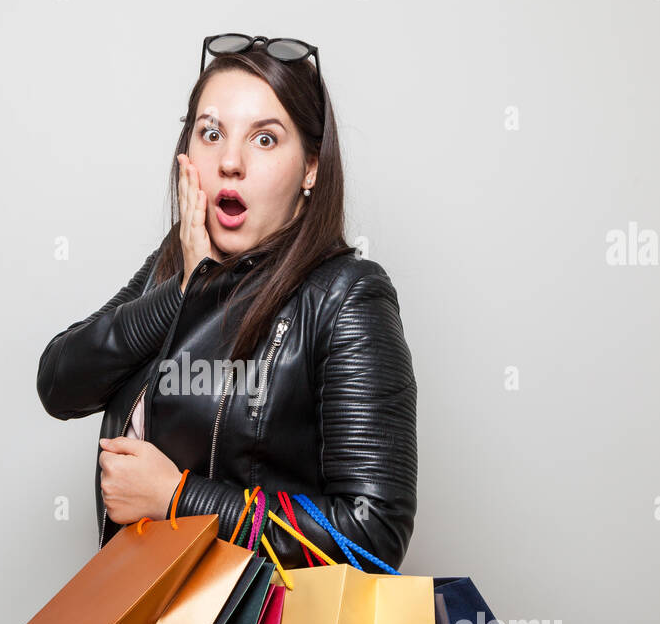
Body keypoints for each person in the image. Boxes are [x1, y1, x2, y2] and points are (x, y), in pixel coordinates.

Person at [36, 34, 418, 571]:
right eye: (210, 133)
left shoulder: (346, 296)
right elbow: (59, 384)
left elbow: (372, 533)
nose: (230, 161)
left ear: (311, 167)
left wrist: (178, 499)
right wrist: (183, 288)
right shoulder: (175, 263)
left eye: (265, 140)